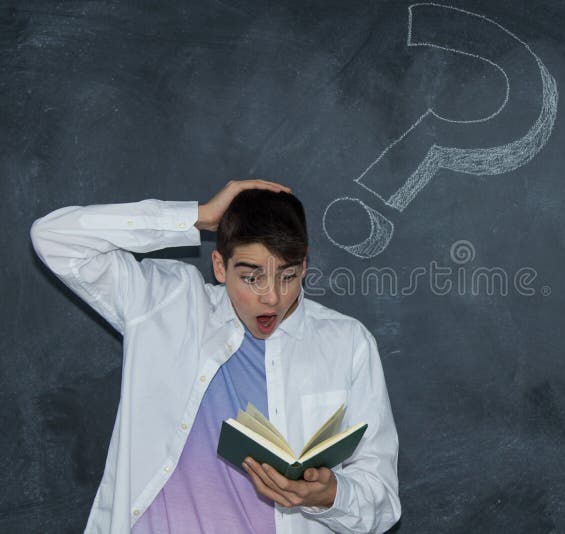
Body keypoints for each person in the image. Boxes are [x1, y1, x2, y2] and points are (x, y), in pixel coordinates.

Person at [30, 180, 401, 533]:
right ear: (221, 267)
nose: (271, 296)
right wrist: (197, 215)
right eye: (252, 277)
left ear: (304, 266)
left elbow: (383, 503)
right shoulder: (166, 303)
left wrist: (331, 495)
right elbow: (53, 237)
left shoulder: (346, 343)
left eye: (286, 276)